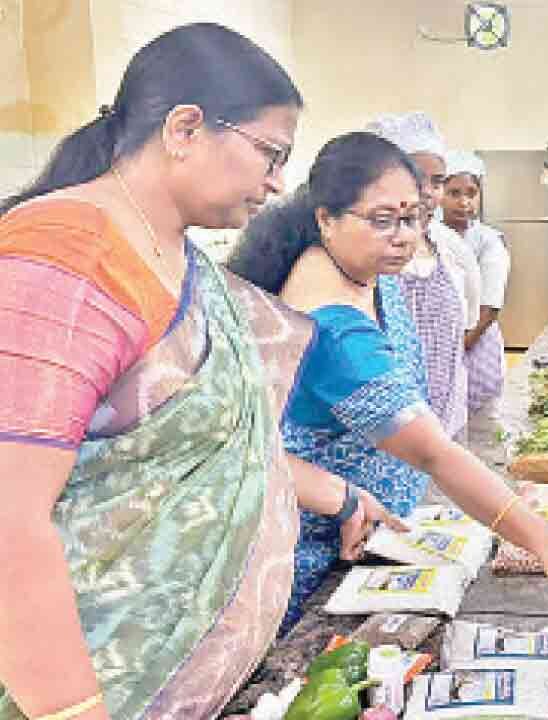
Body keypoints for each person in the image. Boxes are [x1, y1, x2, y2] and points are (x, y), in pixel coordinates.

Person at [0, 24, 400, 720]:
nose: (279, 183)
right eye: (270, 153)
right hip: (87, 690)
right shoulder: (66, 257)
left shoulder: (181, 261)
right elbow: (9, 519)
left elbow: (210, 445)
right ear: (185, 127)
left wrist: (340, 496)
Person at [230, 132, 548, 635]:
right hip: (316, 556)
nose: (404, 235)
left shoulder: (363, 268)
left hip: (370, 533)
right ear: (325, 218)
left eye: (412, 217)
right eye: (383, 220)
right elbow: (433, 453)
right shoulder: (337, 332)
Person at [365, 113, 479, 440]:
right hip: (380, 437)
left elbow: (466, 330)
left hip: (446, 428)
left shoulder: (454, 250)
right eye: (416, 177)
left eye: (438, 181)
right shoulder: (361, 250)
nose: (428, 192)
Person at [441, 150, 510, 414]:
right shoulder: (428, 236)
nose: (464, 202)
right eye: (454, 193)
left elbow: (490, 306)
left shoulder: (489, 241)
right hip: (441, 342)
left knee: (479, 418)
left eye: (471, 193)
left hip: (475, 342)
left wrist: (461, 345)